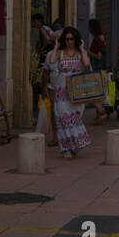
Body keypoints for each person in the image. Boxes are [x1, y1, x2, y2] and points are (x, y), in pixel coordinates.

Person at [44, 26, 93, 159]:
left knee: (74, 120)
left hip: (76, 93)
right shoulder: (60, 53)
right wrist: (56, 46)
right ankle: (66, 148)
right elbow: (52, 61)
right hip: (61, 92)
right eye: (66, 39)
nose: (69, 41)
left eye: (71, 39)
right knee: (62, 120)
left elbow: (87, 64)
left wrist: (82, 49)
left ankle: (75, 145)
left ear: (76, 39)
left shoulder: (79, 52)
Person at [87, 19, 111, 123]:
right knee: (98, 93)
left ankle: (101, 113)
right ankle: (99, 115)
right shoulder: (102, 38)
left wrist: (88, 52)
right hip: (102, 69)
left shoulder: (97, 40)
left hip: (98, 70)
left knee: (93, 93)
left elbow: (98, 56)